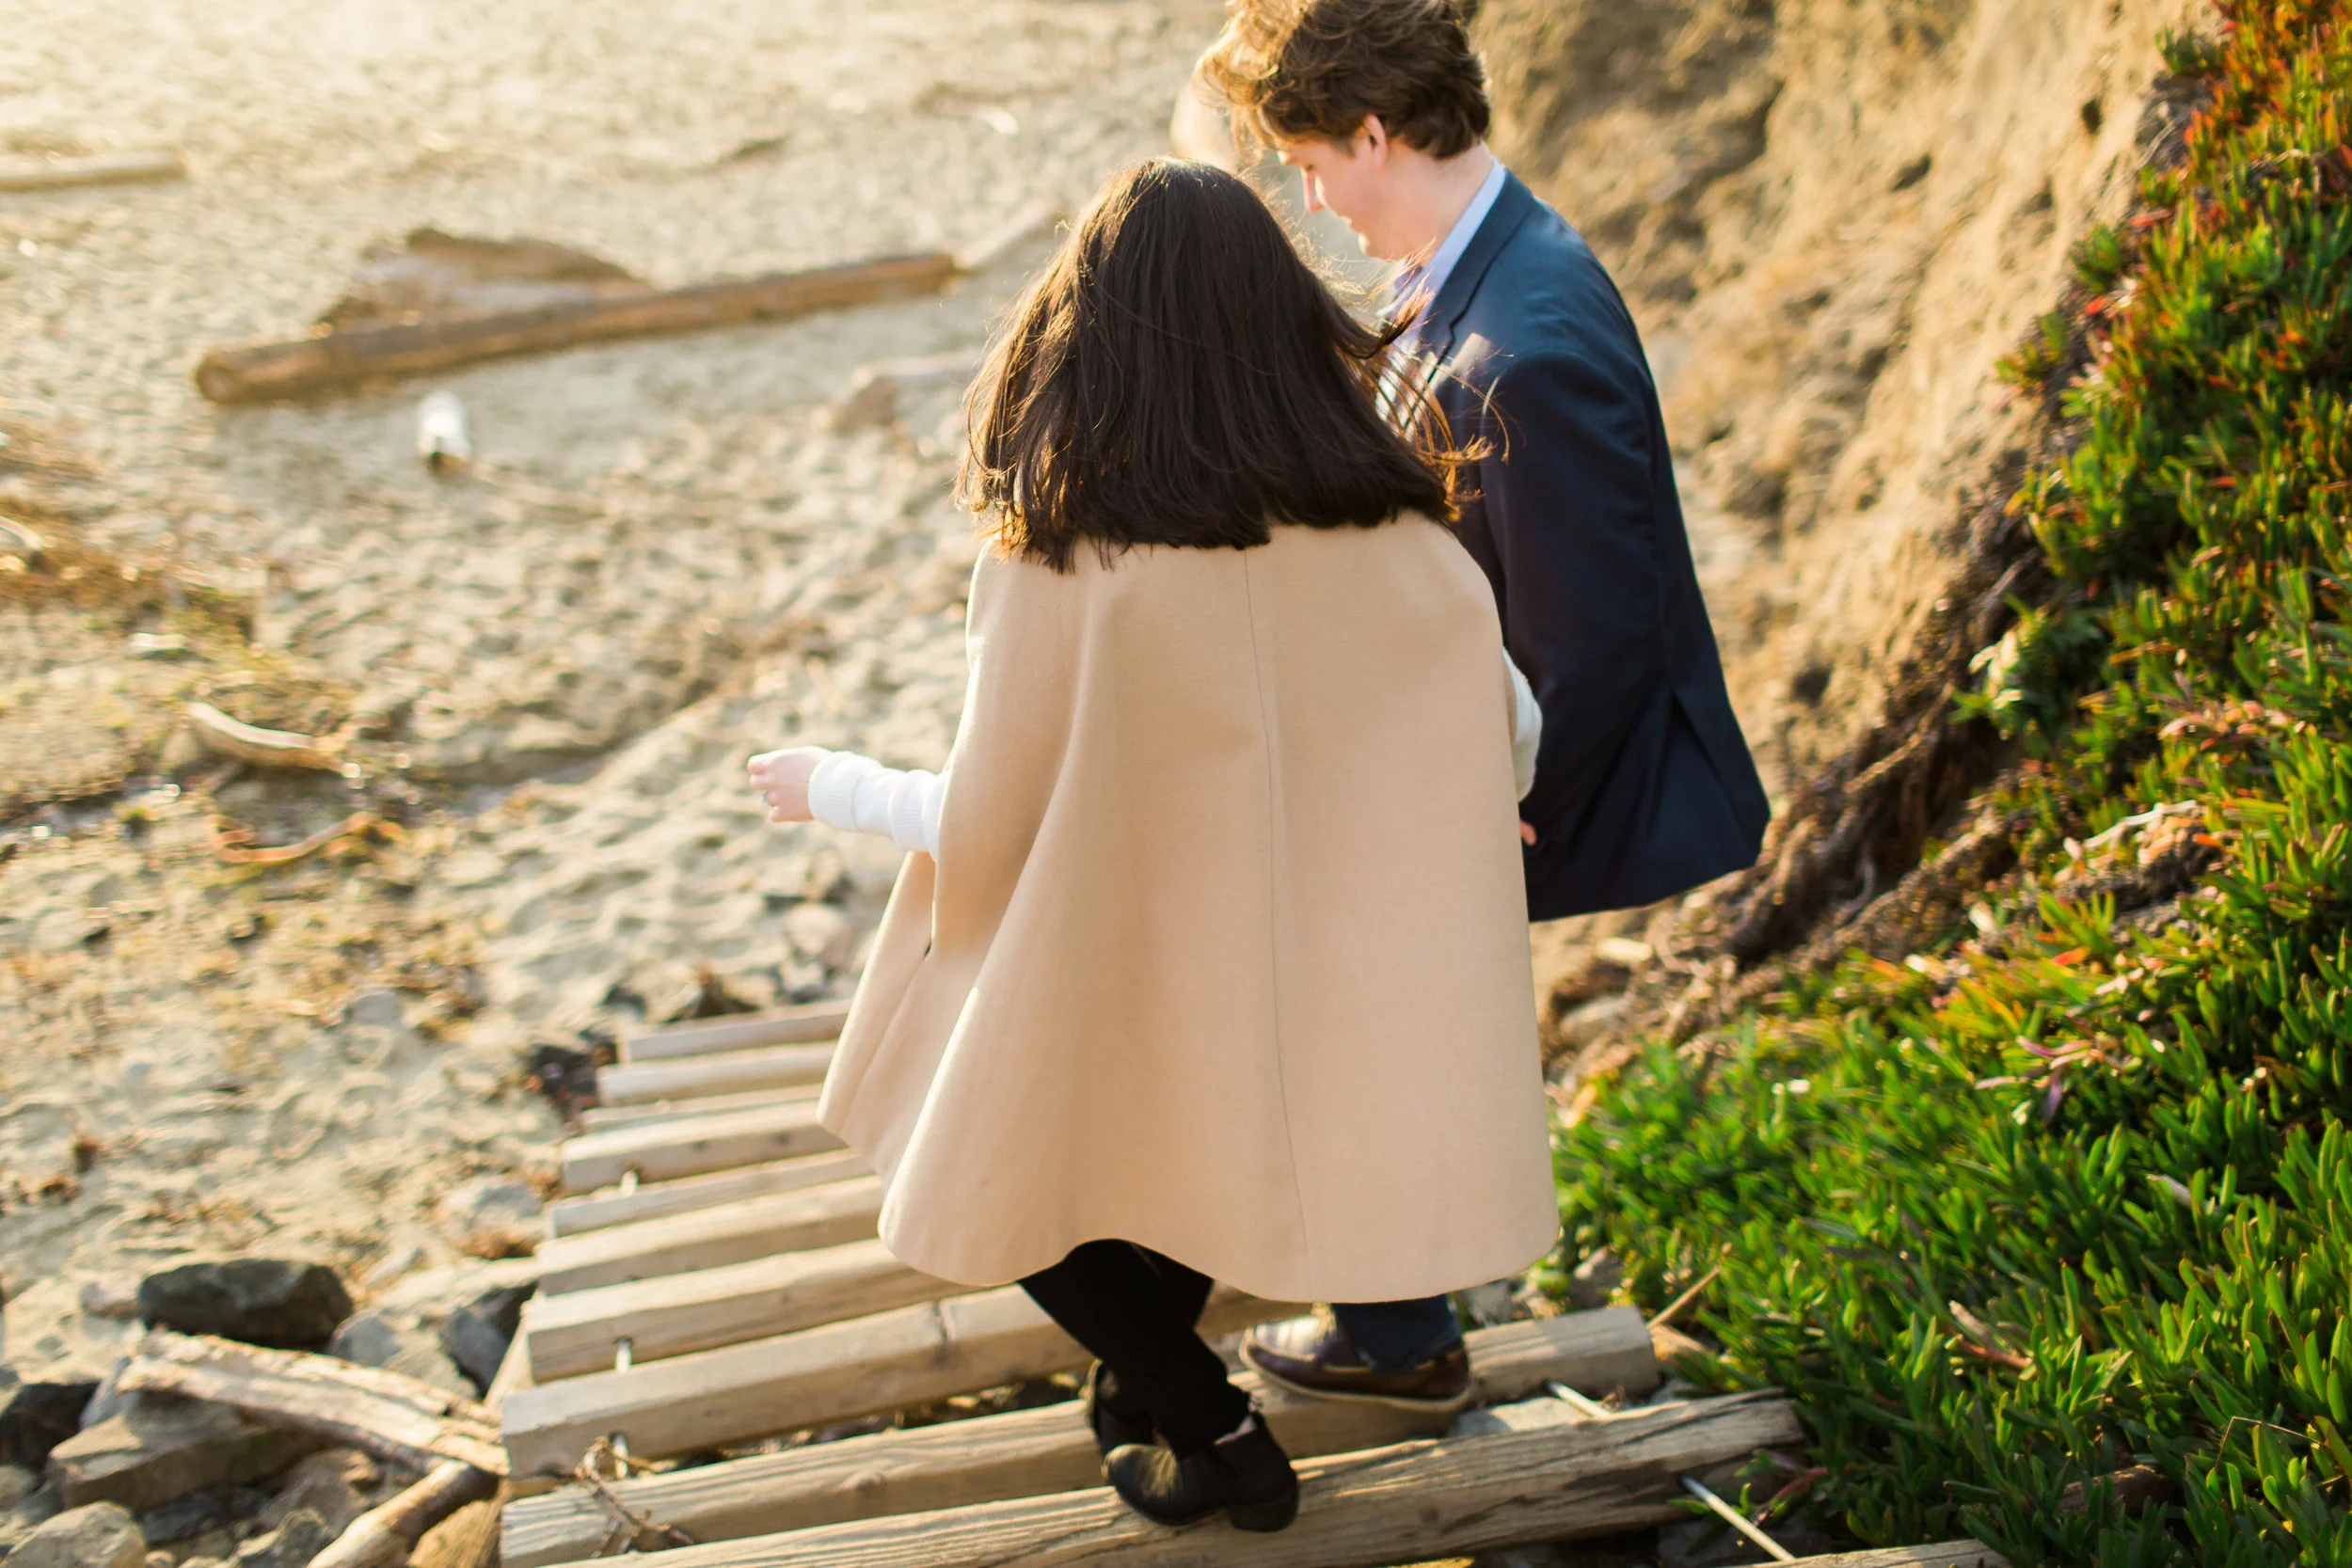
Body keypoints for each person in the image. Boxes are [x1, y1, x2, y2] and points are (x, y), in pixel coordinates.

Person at [746, 157, 1557, 1534]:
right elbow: (1510, 729)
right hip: (1333, 983)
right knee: (1146, 1166)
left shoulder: (1061, 562)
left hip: (1139, 976)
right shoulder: (1400, 533)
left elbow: (988, 818)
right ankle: (1167, 1402)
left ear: (1089, 337)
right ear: (1287, 329)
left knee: (977, 1146)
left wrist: (837, 786)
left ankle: (1208, 1416)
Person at [1192, 0, 1771, 1409]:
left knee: (1352, 1010)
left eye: (1314, 166)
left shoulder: (1528, 345)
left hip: (1502, 784)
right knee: (1356, 1012)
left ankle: (1395, 1334)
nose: (1311, 198)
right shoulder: (1481, 264)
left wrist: (1509, 812)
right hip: (1451, 761)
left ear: (1375, 133)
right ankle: (1391, 1321)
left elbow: (1591, 642)